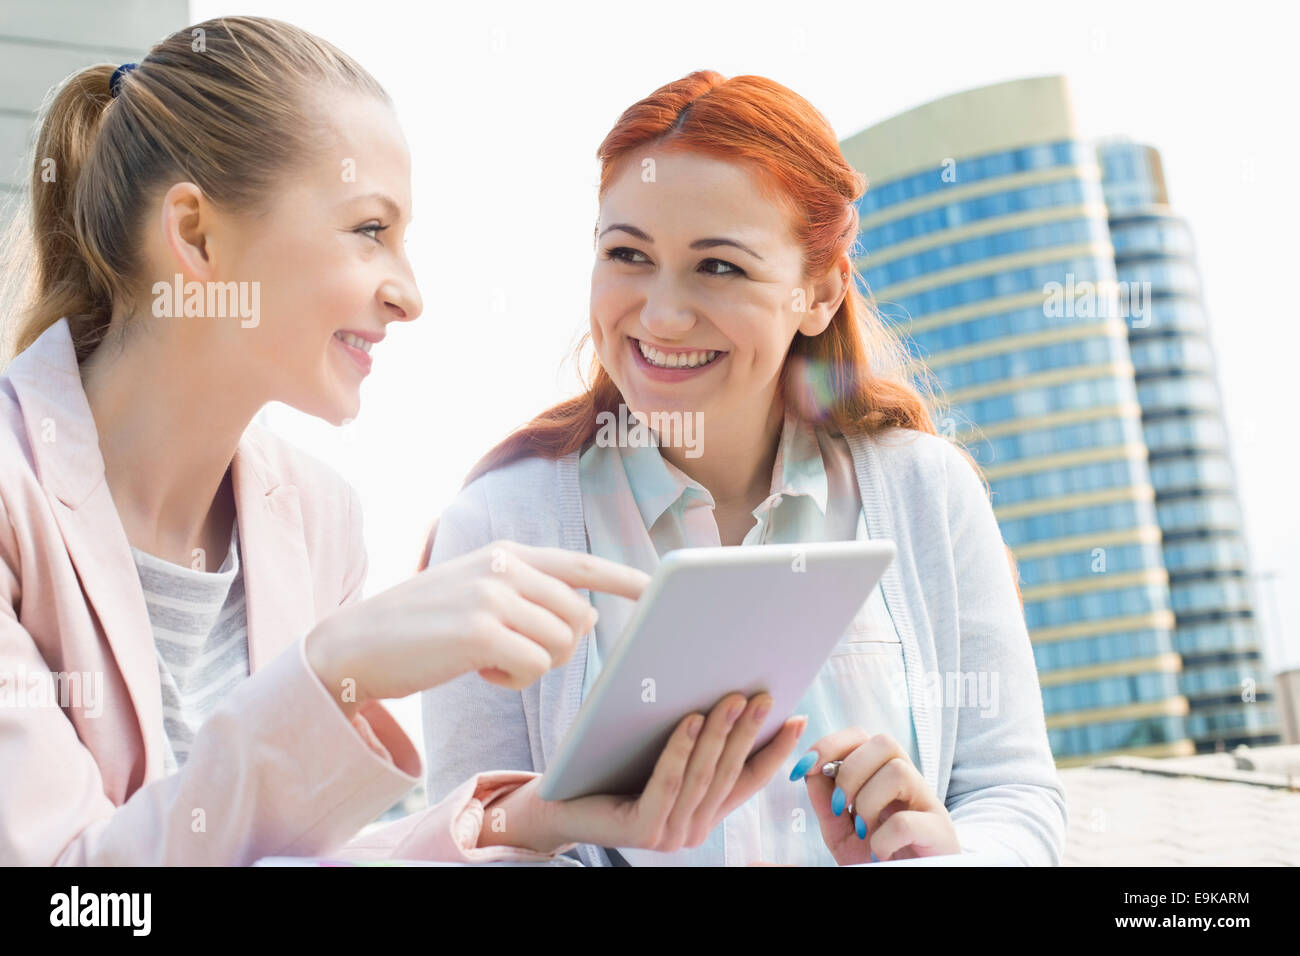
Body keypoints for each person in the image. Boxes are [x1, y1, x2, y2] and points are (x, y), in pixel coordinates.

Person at [0, 19, 800, 866]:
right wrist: (336, 664)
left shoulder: (313, 519)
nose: (409, 295)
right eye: (369, 231)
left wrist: (528, 819)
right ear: (197, 235)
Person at [420, 70, 1068, 866]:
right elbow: (464, 837)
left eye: (718, 267)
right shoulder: (498, 529)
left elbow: (1017, 796)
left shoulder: (926, 492)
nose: (661, 314)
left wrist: (944, 856)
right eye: (628, 254)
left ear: (820, 294)